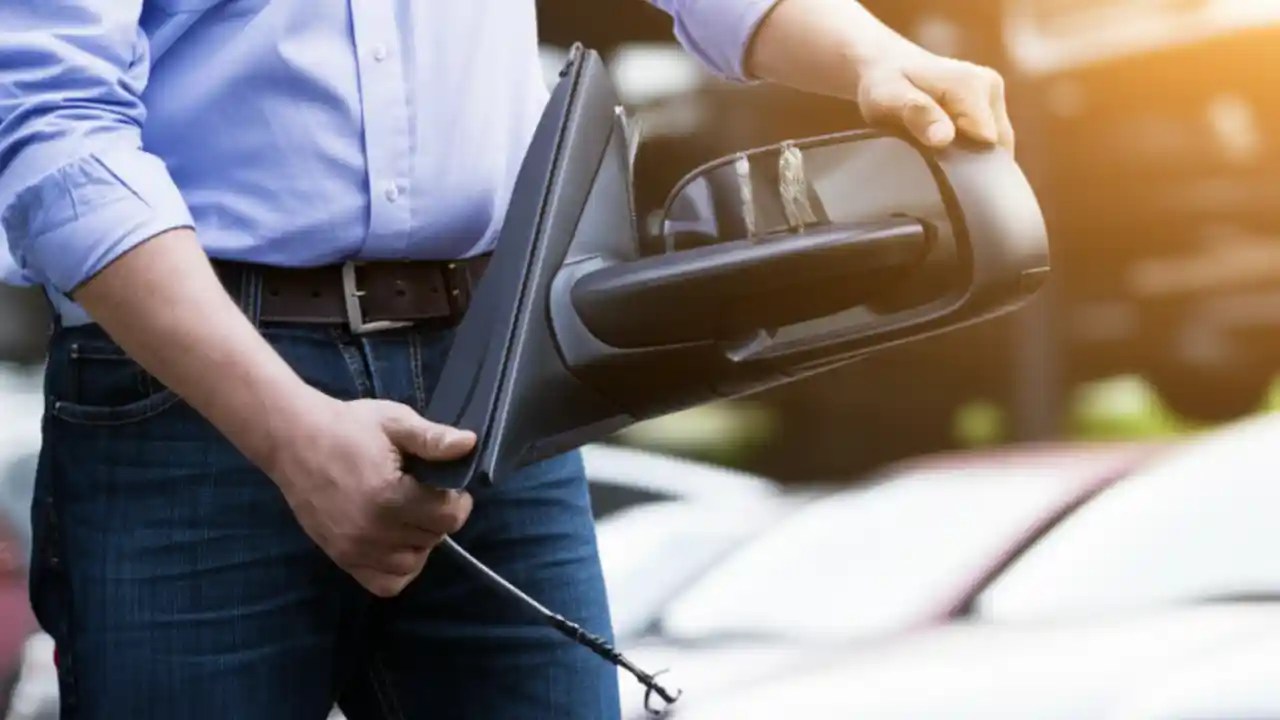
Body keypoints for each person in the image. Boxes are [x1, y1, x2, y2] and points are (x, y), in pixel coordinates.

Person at [0, 0, 1014, 717]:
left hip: (486, 373)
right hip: (189, 400)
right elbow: (50, 126)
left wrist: (868, 55)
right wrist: (284, 427)